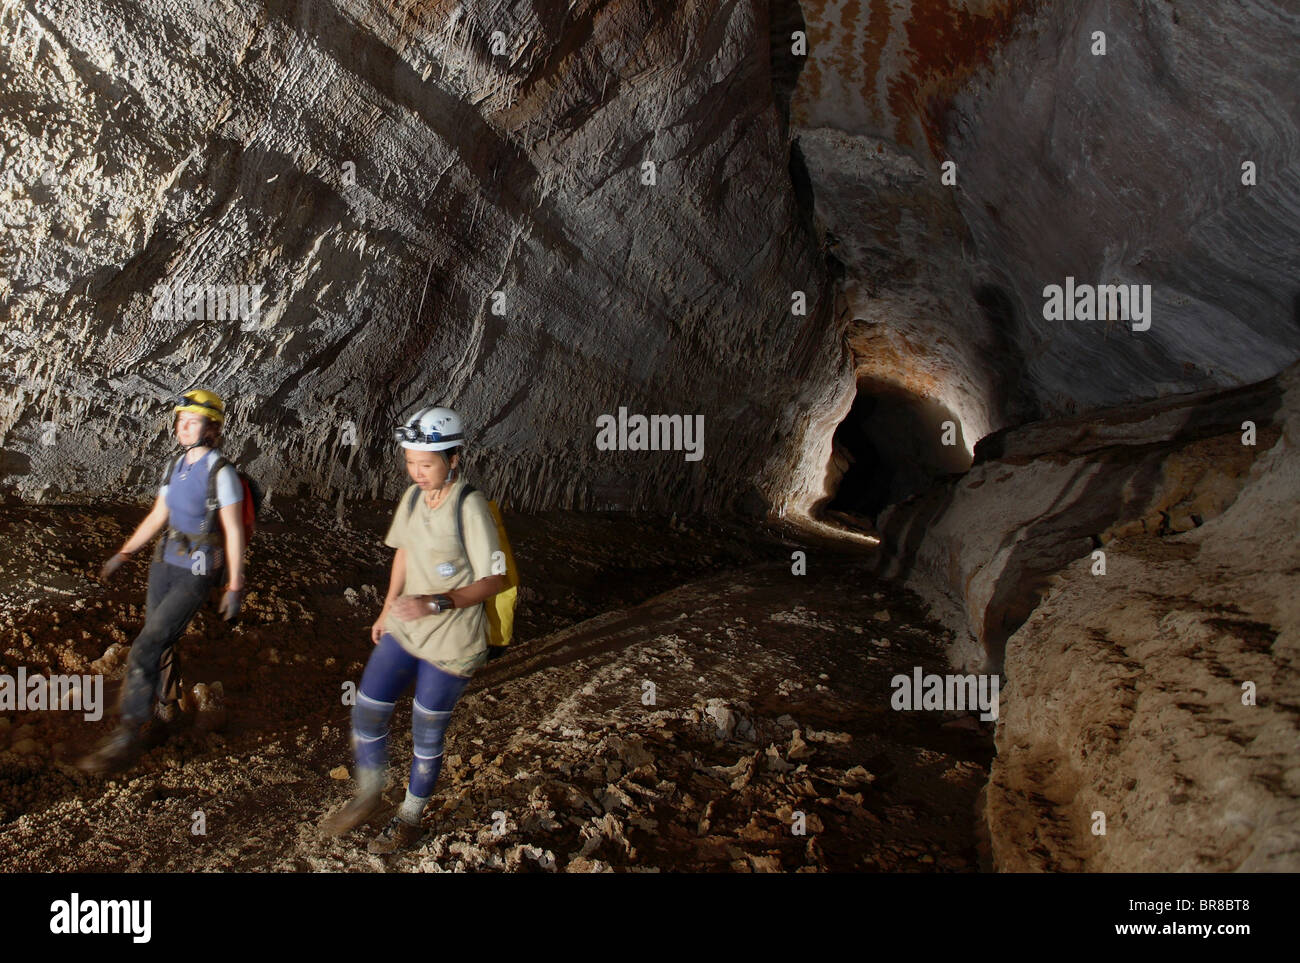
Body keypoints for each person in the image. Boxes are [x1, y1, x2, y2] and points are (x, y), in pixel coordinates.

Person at [321, 405, 506, 853]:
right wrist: (387, 608)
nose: (417, 472)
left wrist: (437, 601)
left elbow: (495, 579)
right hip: (408, 626)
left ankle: (408, 818)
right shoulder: (412, 498)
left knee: (426, 732)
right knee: (367, 708)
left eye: (426, 463)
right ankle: (368, 793)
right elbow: (403, 550)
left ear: (453, 459)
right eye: (410, 462)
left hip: (453, 640)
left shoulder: (470, 506)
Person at [78, 389, 246, 774]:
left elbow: (233, 531)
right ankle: (168, 710)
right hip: (164, 563)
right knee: (161, 641)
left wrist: (235, 584)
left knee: (146, 645)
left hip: (196, 571)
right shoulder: (174, 466)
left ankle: (128, 731)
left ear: (211, 428)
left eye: (193, 421)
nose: (183, 427)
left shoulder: (223, 473)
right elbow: (158, 515)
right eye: (181, 420)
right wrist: (125, 552)